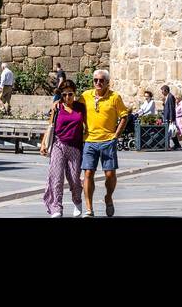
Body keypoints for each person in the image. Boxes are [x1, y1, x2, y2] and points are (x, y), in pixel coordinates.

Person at [81, 69, 129, 217]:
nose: (98, 83)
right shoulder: (85, 96)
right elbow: (73, 107)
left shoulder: (115, 97)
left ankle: (108, 197)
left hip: (108, 140)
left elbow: (124, 116)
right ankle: (89, 209)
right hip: (89, 141)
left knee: (110, 175)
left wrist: (116, 136)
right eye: (95, 80)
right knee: (88, 173)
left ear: (107, 82)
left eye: (101, 80)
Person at [41, 80, 86, 217]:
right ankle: (56, 208)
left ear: (74, 93)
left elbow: (88, 125)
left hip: (75, 147)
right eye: (64, 94)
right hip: (58, 145)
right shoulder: (57, 107)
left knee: (74, 179)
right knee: (56, 177)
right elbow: (50, 126)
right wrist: (43, 143)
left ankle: (77, 202)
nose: (67, 97)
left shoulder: (81, 107)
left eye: (70, 94)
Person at [161, 85, 180, 150]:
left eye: (162, 91)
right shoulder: (167, 97)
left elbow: (171, 108)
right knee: (171, 132)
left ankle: (169, 145)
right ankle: (177, 145)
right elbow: (167, 107)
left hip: (169, 118)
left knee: (170, 132)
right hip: (167, 117)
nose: (162, 93)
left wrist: (171, 118)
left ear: (166, 90)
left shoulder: (170, 96)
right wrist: (163, 103)